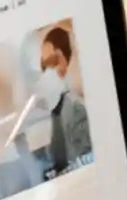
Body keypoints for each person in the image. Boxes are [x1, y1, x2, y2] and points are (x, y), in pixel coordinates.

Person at [38, 26, 92, 176]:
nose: (47, 72)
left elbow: (95, 157)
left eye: (52, 62)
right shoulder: (58, 110)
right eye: (44, 66)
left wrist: (70, 171)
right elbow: (59, 158)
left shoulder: (77, 107)